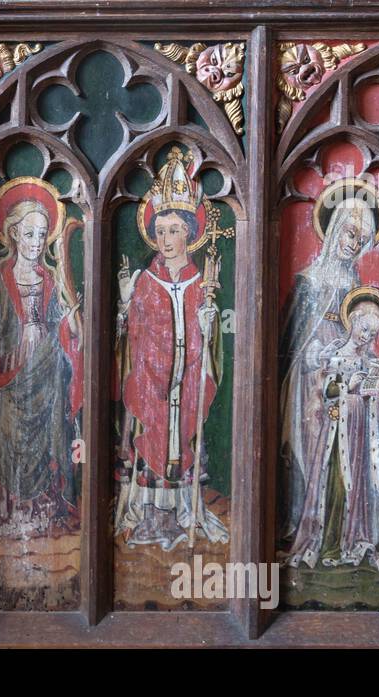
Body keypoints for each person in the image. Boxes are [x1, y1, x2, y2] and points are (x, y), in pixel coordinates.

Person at [113, 147, 226, 551]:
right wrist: (126, 304)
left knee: (184, 438)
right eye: (160, 232)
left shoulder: (201, 283)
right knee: (153, 437)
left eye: (174, 230)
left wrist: (207, 329)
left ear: (190, 234)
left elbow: (210, 344)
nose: (166, 239)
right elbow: (128, 336)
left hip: (189, 379)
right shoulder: (145, 279)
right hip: (152, 381)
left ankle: (182, 512)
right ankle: (149, 515)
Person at [0, 186, 82, 538]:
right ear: (13, 234)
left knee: (49, 437)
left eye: (42, 235)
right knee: (10, 440)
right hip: (13, 376)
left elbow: (66, 327)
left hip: (47, 376)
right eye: (30, 233)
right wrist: (17, 340)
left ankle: (47, 507)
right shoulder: (1, 280)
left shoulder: (49, 278)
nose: (36, 241)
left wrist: (63, 301)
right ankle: (12, 508)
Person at [279, 192, 379, 540]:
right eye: (350, 234)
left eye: (361, 240)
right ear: (334, 229)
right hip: (311, 386)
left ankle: (339, 527)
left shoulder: (355, 286)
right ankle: (307, 522)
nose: (354, 244)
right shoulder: (309, 282)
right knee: (313, 444)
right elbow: (290, 346)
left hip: (346, 380)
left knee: (346, 451)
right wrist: (314, 357)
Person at [285, 289, 379, 572]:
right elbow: (326, 391)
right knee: (334, 486)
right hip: (336, 434)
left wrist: (378, 387)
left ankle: (350, 541)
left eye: (372, 334)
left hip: (359, 432)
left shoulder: (370, 362)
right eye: (364, 329)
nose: (366, 337)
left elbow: (377, 403)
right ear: (353, 321)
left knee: (355, 488)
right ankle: (328, 545)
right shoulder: (333, 354)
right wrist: (349, 386)